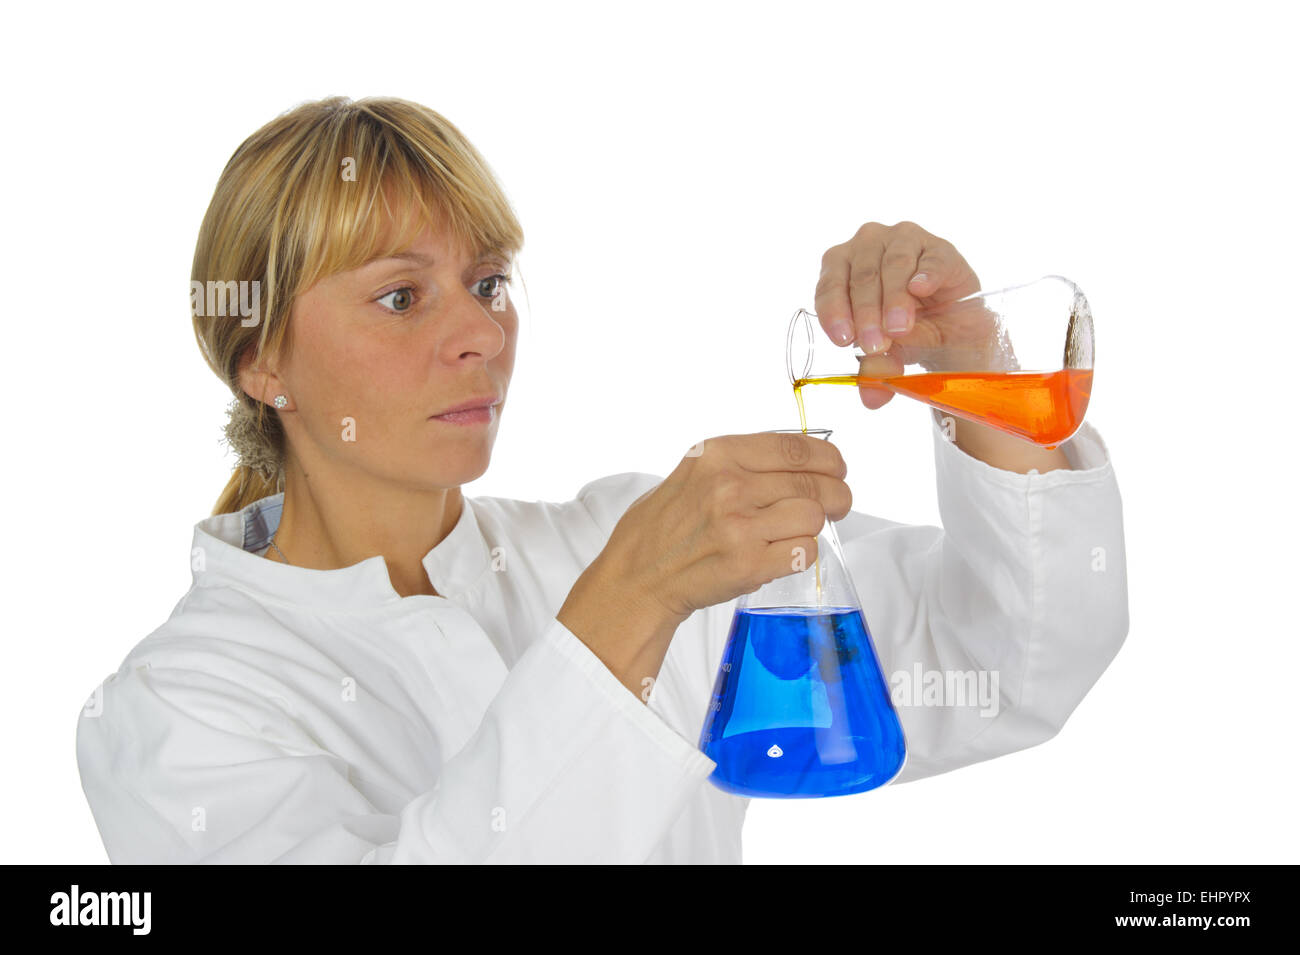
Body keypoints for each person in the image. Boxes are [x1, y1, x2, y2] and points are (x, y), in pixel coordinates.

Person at [75, 95, 1129, 864]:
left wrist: (976, 367)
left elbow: (1007, 665)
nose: (481, 333)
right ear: (260, 360)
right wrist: (624, 611)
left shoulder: (626, 535)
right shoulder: (182, 708)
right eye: (401, 297)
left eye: (488, 283)